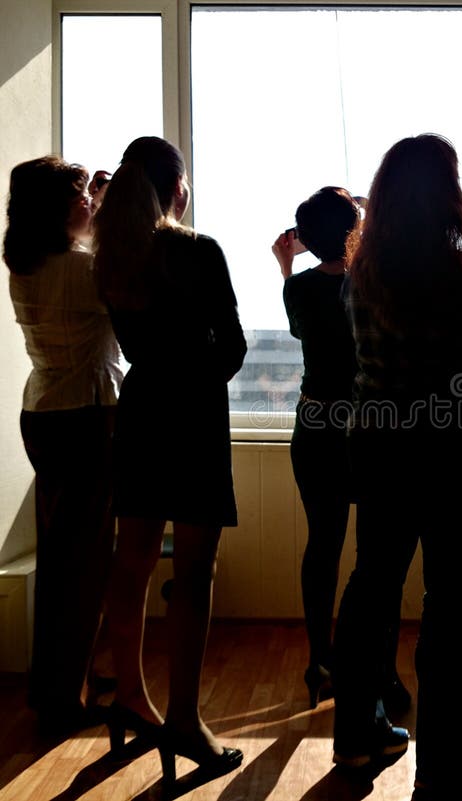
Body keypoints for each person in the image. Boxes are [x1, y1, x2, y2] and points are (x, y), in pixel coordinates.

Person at [332, 134, 462, 799]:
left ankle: (355, 735)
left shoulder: (361, 270)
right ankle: (443, 759)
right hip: (451, 447)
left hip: (378, 440)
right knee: (451, 601)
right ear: (446, 192)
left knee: (372, 583)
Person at [92, 136, 246, 780]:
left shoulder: (112, 255)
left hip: (142, 412)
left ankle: (127, 693)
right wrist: (201, 363)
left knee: (130, 563)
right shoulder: (197, 250)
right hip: (193, 418)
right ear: (178, 187)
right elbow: (233, 349)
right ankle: (184, 716)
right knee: (194, 573)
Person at [272, 187, 410, 717]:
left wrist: (288, 264)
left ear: (306, 238)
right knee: (379, 556)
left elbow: (301, 327)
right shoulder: (376, 282)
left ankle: (320, 658)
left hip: (316, 424)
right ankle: (383, 670)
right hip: (372, 422)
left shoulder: (301, 289)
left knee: (322, 545)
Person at [4, 156, 122, 734]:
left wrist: (94, 218)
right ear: (60, 210)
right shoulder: (80, 270)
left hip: (43, 413)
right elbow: (130, 284)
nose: (91, 204)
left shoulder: (24, 266)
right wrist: (111, 219)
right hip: (86, 417)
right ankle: (65, 696)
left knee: (61, 559)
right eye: (83, 196)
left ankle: (59, 681)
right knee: (87, 562)